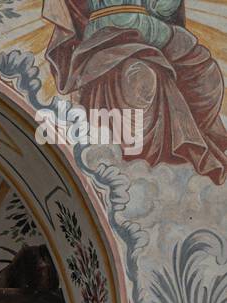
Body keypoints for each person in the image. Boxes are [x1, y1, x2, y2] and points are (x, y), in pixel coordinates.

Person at [43, 0, 227, 184]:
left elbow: (162, 9)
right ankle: (161, 150)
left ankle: (181, 144)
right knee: (144, 77)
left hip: (148, 27)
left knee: (206, 75)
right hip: (109, 28)